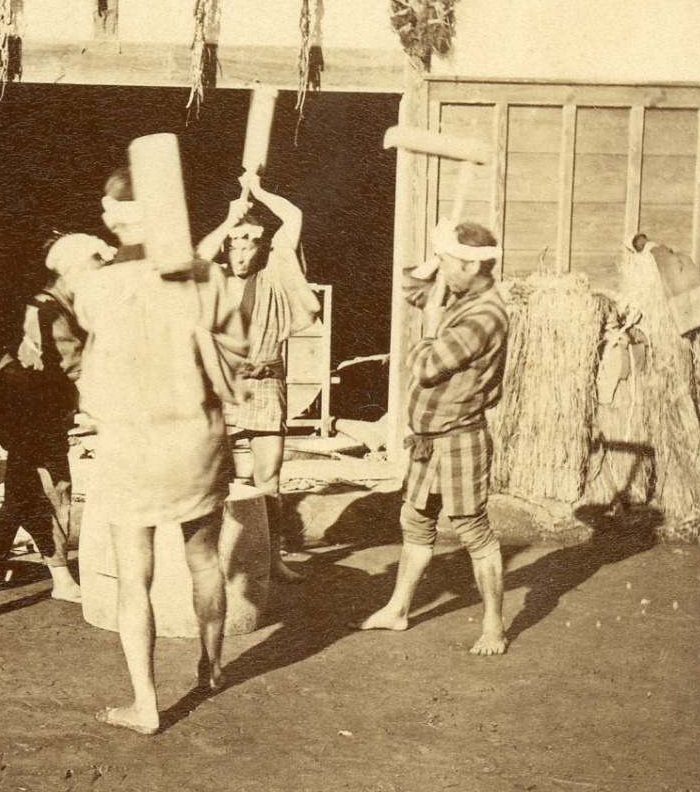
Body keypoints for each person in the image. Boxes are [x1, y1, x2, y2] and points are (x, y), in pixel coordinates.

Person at [75, 169, 247, 734]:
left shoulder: (97, 285)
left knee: (134, 577)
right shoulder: (210, 276)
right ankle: (212, 667)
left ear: (121, 217)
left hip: (133, 443)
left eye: (111, 212)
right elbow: (237, 343)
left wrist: (110, 262)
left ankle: (146, 704)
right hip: (195, 438)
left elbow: (89, 323)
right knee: (204, 560)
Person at [358, 220, 511, 655]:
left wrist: (428, 325)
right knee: (416, 521)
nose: (440, 272)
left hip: (459, 439)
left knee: (472, 530)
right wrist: (437, 255)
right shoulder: (461, 295)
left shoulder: (484, 316)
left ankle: (494, 627)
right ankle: (398, 610)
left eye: (448, 264)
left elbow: (426, 366)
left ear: (470, 265)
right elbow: (410, 287)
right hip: (430, 439)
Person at [195, 170, 320, 579]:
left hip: (267, 383)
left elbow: (294, 217)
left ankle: (272, 558)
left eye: (250, 243)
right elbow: (199, 254)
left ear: (261, 247)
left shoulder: (274, 275)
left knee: (269, 477)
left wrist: (262, 191)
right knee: (218, 477)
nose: (241, 252)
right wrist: (230, 219)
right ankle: (218, 558)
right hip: (225, 388)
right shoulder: (214, 280)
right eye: (235, 244)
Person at [0, 233, 113, 601]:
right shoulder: (49, 312)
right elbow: (76, 368)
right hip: (32, 410)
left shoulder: (61, 306)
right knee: (55, 487)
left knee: (21, 485)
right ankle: (61, 577)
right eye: (93, 268)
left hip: (33, 408)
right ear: (71, 270)